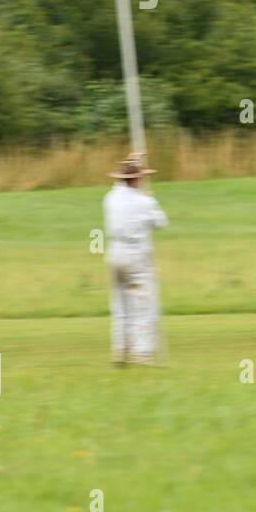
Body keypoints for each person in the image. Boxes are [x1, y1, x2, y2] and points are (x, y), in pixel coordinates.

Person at [103, 155, 169, 365]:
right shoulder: (144, 202)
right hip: (136, 256)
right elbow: (161, 223)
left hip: (115, 252)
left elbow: (120, 189)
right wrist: (151, 200)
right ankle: (142, 353)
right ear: (136, 180)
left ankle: (121, 350)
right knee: (144, 304)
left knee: (120, 305)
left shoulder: (110, 198)